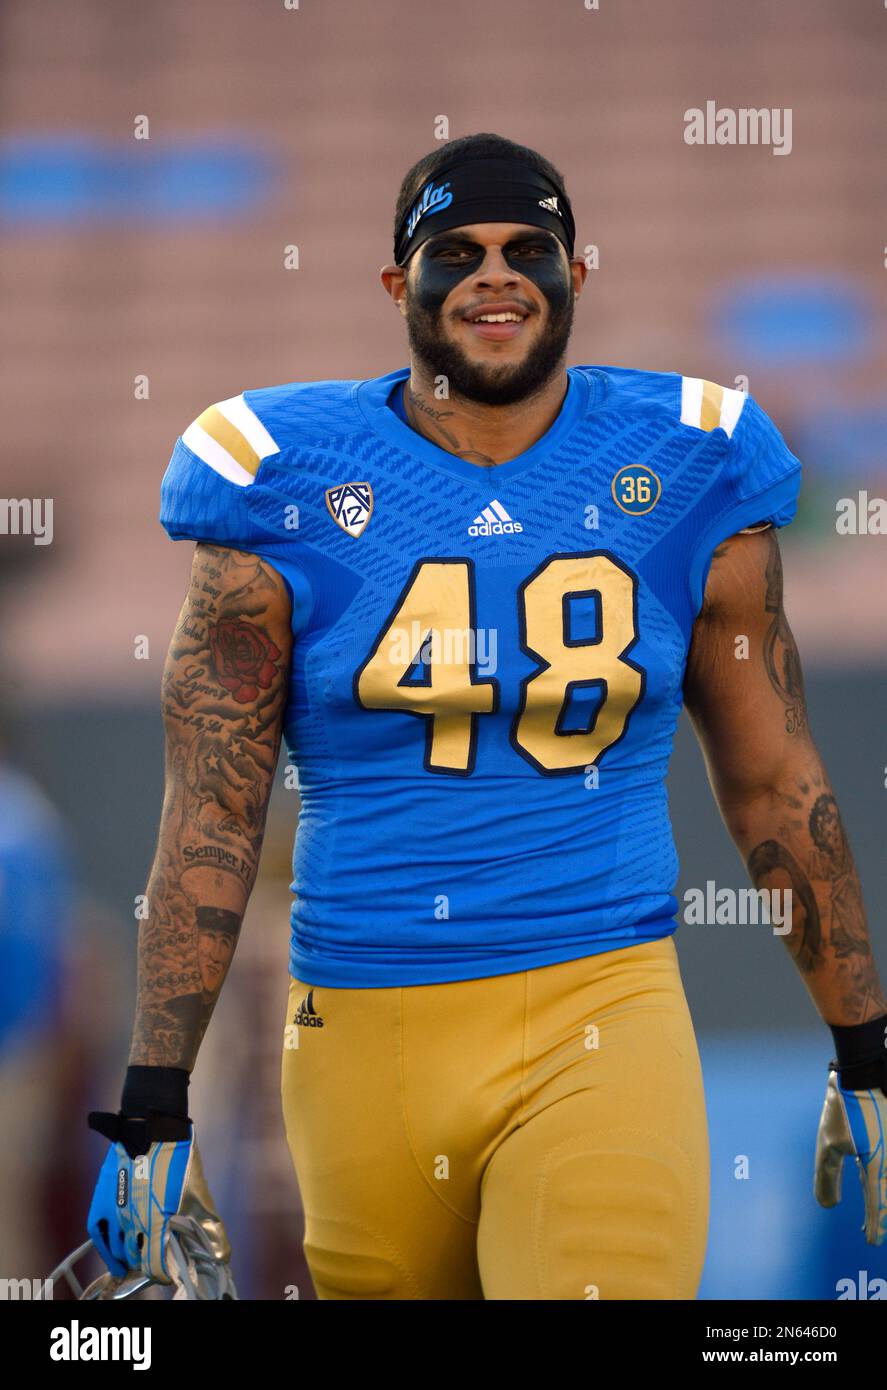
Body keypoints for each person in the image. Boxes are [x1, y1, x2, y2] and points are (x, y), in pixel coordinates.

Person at [84, 132, 886, 1300]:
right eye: (453, 252)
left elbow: (773, 780)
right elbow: (213, 810)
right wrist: (152, 1101)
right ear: (393, 283)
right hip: (358, 1029)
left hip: (601, 1002)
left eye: (530, 250)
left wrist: (864, 1046)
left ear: (576, 274)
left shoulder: (684, 459)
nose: (494, 277)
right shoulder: (277, 474)